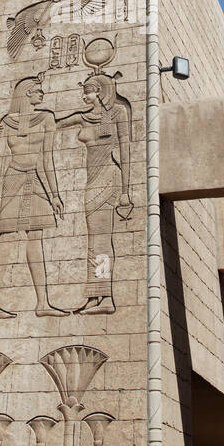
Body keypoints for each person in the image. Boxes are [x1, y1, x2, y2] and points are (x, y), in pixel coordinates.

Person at [0, 74, 67, 318]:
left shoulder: (47, 118)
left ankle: (43, 303)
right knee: (6, 236)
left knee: (36, 237)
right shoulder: (7, 123)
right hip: (13, 179)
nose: (42, 94)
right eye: (37, 90)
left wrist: (55, 195)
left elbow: (46, 158)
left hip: (36, 180)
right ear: (25, 94)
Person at [57, 71, 133, 315]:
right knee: (93, 241)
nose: (83, 95)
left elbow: (126, 150)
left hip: (109, 177)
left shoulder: (118, 113)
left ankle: (107, 297)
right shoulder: (84, 117)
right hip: (92, 181)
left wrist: (125, 191)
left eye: (87, 90)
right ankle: (94, 296)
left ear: (99, 91)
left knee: (101, 240)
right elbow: (57, 124)